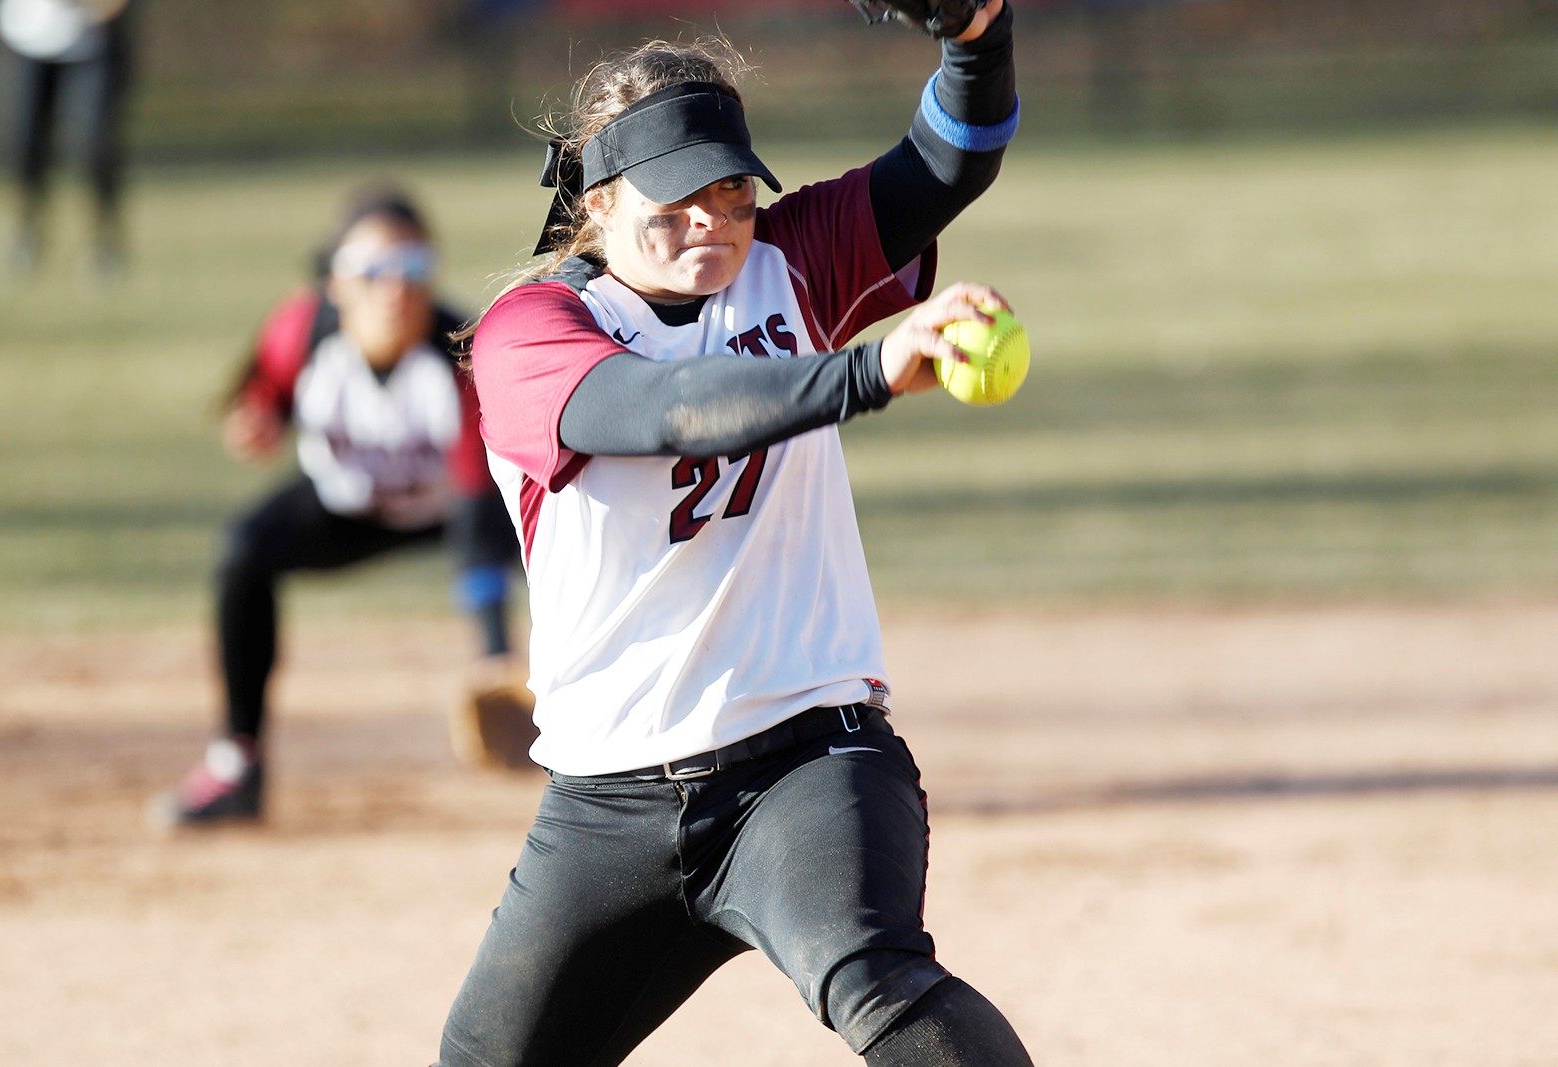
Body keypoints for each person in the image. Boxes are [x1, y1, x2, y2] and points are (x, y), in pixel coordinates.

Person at [436, 2, 1032, 1064]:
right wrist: (871, 369)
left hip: (808, 757)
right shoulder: (529, 334)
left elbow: (950, 160)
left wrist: (978, 38)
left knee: (877, 980)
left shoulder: (788, 260)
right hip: (606, 802)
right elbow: (667, 410)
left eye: (731, 190)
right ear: (602, 202)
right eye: (677, 197)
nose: (713, 219)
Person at [154, 188, 530, 828]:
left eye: (414, 269)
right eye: (374, 271)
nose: (396, 289)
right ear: (334, 280)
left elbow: (477, 508)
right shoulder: (301, 329)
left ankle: (599, 768)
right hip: (346, 508)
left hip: (458, 515)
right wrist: (257, 421)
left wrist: (492, 655)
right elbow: (262, 391)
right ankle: (236, 763)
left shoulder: (463, 352)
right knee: (244, 551)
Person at [0, 0, 135, 280]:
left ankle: (104, 236)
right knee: (22, 144)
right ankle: (26, 226)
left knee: (91, 146)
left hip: (90, 41)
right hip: (25, 38)